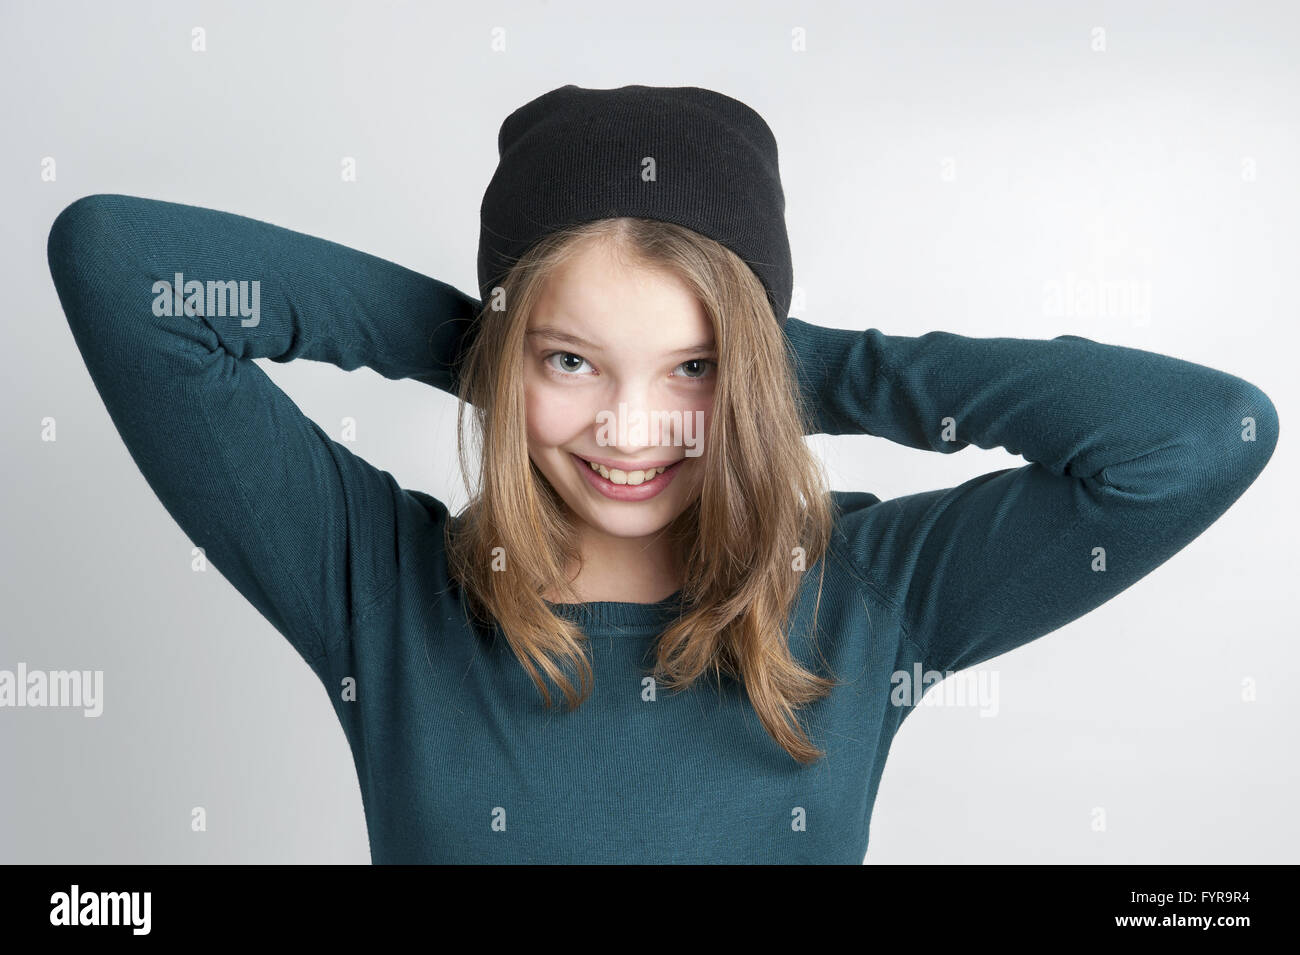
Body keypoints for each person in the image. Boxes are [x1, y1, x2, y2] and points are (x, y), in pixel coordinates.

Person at [45, 85, 1278, 864]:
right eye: (573, 360)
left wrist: (792, 370)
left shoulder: (866, 594)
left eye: (692, 369)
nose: (631, 431)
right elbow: (117, 265)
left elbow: (1199, 437)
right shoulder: (379, 588)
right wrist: (488, 349)